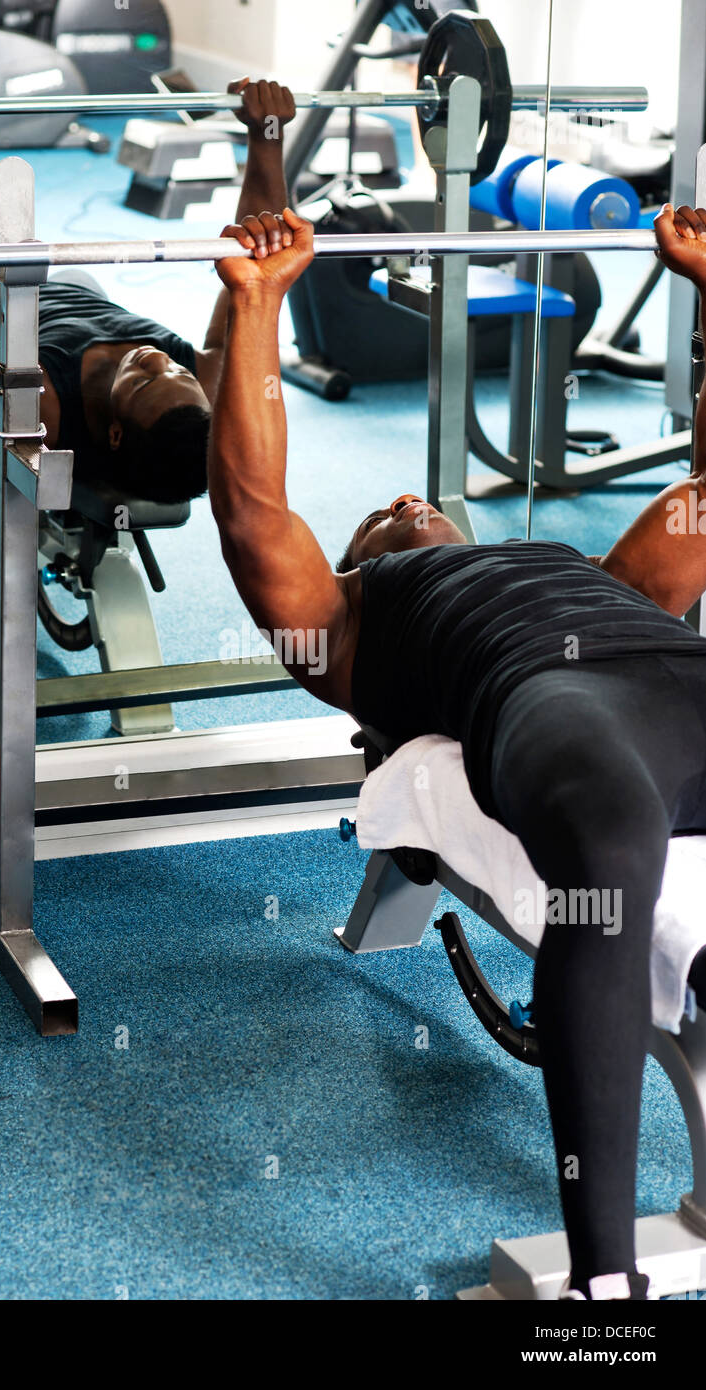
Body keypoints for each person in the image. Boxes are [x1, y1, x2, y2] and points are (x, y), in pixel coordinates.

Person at [207, 199, 706, 1300]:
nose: (401, 497)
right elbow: (251, 512)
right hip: (557, 705)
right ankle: (603, 1289)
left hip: (676, 677)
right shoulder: (349, 624)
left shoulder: (594, 573)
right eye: (381, 516)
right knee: (610, 865)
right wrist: (255, 307)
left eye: (411, 504)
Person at [0, 78, 296, 503]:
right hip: (75, 294)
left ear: (114, 431)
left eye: (145, 382)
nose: (157, 360)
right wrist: (266, 134)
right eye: (178, 372)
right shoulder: (209, 386)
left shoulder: (42, 411)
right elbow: (260, 260)